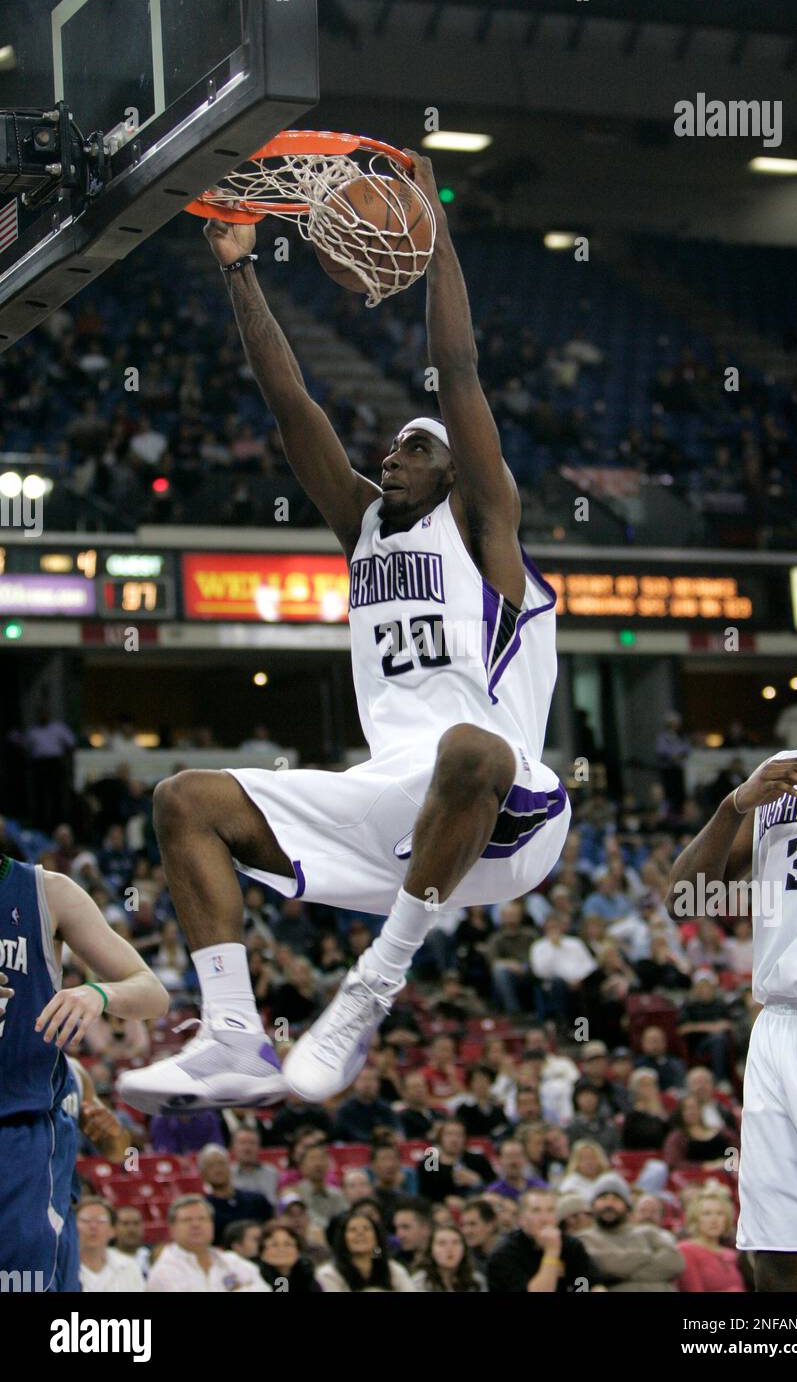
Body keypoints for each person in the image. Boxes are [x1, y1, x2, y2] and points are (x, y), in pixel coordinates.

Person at [119, 150, 570, 1115]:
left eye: (416, 446)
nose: (392, 455)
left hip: (512, 810)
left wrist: (438, 237)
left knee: (468, 744)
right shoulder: (362, 526)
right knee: (185, 800)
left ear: (457, 471)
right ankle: (233, 1035)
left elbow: (457, 368)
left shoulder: (482, 523)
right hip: (399, 812)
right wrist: (240, 267)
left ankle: (372, 986)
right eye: (394, 446)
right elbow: (293, 406)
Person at [666, 566, 797, 1294]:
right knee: (780, 1256)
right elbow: (686, 900)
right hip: (778, 1032)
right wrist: (731, 808)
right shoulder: (780, 772)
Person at [0, 854, 168, 1292]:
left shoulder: (48, 892)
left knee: (21, 1283)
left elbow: (151, 991)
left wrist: (99, 993)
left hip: (18, 1132)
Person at [577, 1173, 684, 1292]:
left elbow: (676, 1262)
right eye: (603, 1198)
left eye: (616, 1199)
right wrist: (647, 1257)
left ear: (627, 1206)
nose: (609, 1204)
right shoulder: (583, 1239)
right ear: (592, 1205)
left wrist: (619, 1277)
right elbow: (601, 1265)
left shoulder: (648, 1233)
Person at [486, 1187, 603, 1293]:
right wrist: (552, 1250)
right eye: (536, 1211)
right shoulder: (504, 1253)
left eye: (550, 1210)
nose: (545, 1218)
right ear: (521, 1219)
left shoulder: (571, 1245)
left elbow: (588, 1283)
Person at [146, 1195, 270, 1292]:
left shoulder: (231, 1261)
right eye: (187, 1220)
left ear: (212, 1224)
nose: (196, 1225)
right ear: (172, 1228)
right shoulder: (164, 1271)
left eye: (202, 1219)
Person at [316, 1209, 416, 1292]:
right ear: (343, 1239)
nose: (360, 1233)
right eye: (353, 1230)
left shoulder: (393, 1269)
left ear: (377, 1238)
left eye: (366, 1229)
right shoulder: (328, 1274)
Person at [198, 1143, 273, 1245]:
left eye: (221, 1163)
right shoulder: (203, 1209)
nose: (217, 1169)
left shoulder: (257, 1200)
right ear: (203, 1174)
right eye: (211, 1165)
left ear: (230, 1167)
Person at [677, 1191, 747, 1293]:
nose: (714, 1220)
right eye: (707, 1214)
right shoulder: (685, 1250)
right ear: (695, 1219)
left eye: (720, 1213)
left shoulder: (731, 1254)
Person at [416, 1118, 494, 1204]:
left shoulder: (478, 1160)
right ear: (440, 1138)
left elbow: (494, 1188)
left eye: (459, 1135)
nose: (454, 1140)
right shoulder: (429, 1163)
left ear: (465, 1138)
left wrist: (477, 1182)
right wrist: (444, 1200)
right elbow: (424, 1196)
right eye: (449, 1134)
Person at [77, 1199, 146, 1292]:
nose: (93, 1226)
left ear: (113, 1230)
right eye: (85, 1220)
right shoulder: (62, 1269)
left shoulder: (130, 1267)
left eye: (101, 1220)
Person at [333, 1065, 400, 1143]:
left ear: (378, 1084)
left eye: (371, 1080)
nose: (367, 1084)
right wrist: (376, 1136)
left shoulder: (385, 1107)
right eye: (363, 1079)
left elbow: (397, 1130)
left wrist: (391, 1135)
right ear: (354, 1083)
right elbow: (350, 1135)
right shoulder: (345, 1109)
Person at [412, 1223, 486, 1292]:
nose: (450, 1249)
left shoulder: (476, 1281)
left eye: (455, 1242)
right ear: (431, 1251)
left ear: (464, 1249)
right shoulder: (419, 1283)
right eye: (442, 1243)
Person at [255, 1221, 320, 1293]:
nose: (281, 1250)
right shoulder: (252, 1278)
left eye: (288, 1244)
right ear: (262, 1251)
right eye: (274, 1244)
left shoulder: (310, 1281)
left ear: (298, 1250)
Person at [295, 1143, 349, 1228]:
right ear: (302, 1166)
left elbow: (346, 1221)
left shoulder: (338, 1194)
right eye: (312, 1159)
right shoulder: (295, 1193)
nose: (318, 1164)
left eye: (322, 1158)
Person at [230, 1126, 280, 1208]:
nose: (247, 1148)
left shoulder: (272, 1173)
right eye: (242, 1143)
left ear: (259, 1147)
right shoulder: (227, 1175)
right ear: (233, 1147)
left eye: (252, 1143)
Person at [633, 1024, 687, 1092]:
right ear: (643, 1043)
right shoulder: (636, 1065)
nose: (654, 1045)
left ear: (664, 1042)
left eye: (657, 1041)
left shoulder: (675, 1064)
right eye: (651, 1041)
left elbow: (681, 1086)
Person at [392, 1198, 433, 1273]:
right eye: (396, 1228)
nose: (399, 1235)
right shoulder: (396, 1262)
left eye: (405, 1227)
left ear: (426, 1228)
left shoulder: (442, 1262)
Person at [460, 1197, 502, 1272]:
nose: (466, 1231)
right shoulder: (464, 1257)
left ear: (490, 1225)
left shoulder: (511, 1253)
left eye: (472, 1224)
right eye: (463, 1225)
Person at [113, 1205, 152, 1279]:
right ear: (114, 1228)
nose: (131, 1229)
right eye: (125, 1224)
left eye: (136, 1223)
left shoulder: (151, 1258)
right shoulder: (105, 1260)